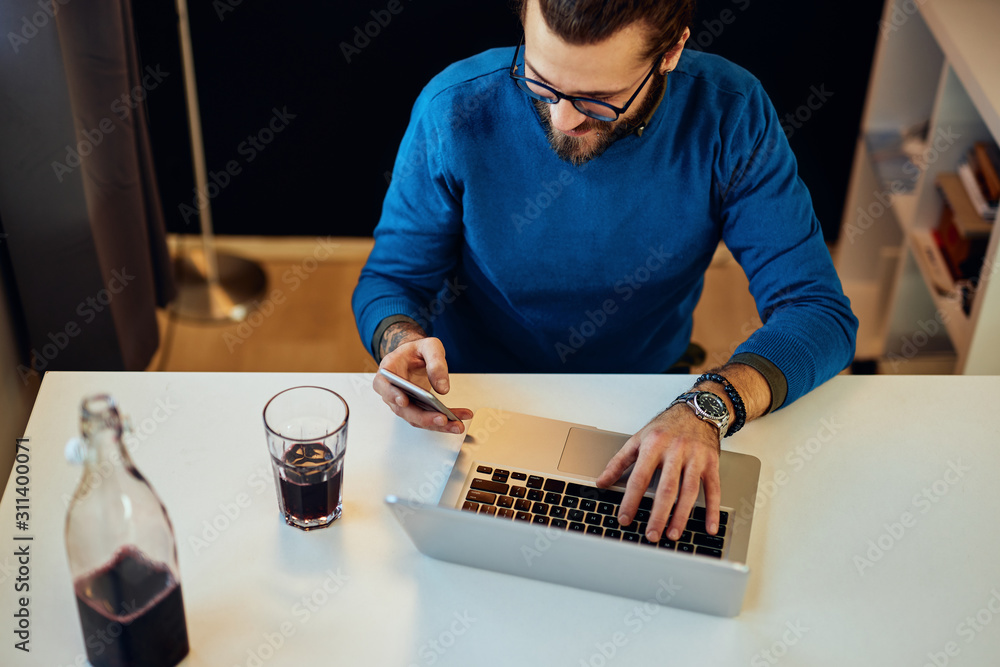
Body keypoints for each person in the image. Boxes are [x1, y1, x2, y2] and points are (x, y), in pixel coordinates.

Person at [352, 0, 857, 547]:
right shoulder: (454, 108)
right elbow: (391, 281)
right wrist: (398, 340)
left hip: (650, 403)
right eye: (540, 84)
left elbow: (819, 312)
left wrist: (709, 405)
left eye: (599, 99)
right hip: (479, 401)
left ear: (670, 53)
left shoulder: (729, 115)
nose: (563, 119)